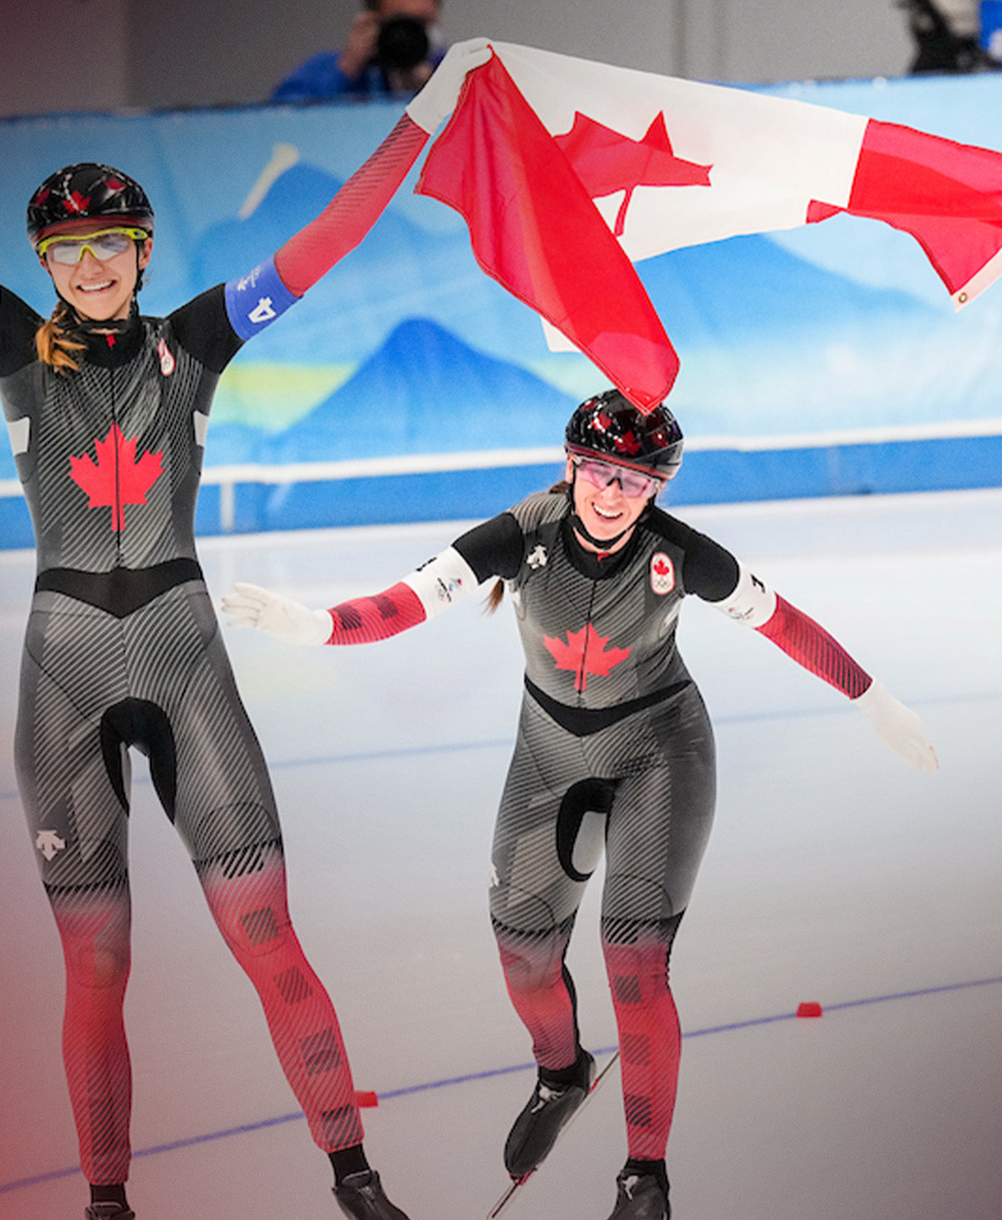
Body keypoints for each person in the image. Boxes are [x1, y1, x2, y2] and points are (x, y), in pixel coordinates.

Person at [0, 17, 484, 1220]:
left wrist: (419, 116)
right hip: (65, 678)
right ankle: (107, 1203)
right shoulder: (10, 341)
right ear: (46, 261)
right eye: (68, 248)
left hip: (186, 661)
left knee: (268, 936)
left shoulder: (195, 339)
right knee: (96, 963)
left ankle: (356, 1179)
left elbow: (329, 239)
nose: (90, 264)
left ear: (143, 252)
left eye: (110, 243)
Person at [222, 392, 939, 1220]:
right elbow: (409, 602)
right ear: (570, 465)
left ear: (658, 489)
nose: (612, 494)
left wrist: (874, 699)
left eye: (635, 482)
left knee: (634, 960)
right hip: (549, 755)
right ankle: (561, 1073)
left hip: (659, 753)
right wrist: (318, 627)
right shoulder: (519, 534)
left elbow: (784, 624)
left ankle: (645, 1180)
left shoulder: (682, 555)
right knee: (522, 953)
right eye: (599, 472)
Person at [272, 0, 445, 103]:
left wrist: (431, 88)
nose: (410, 34)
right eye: (400, 23)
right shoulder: (331, 67)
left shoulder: (450, 68)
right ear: (372, 20)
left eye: (422, 22)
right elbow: (280, 117)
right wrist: (348, 67)